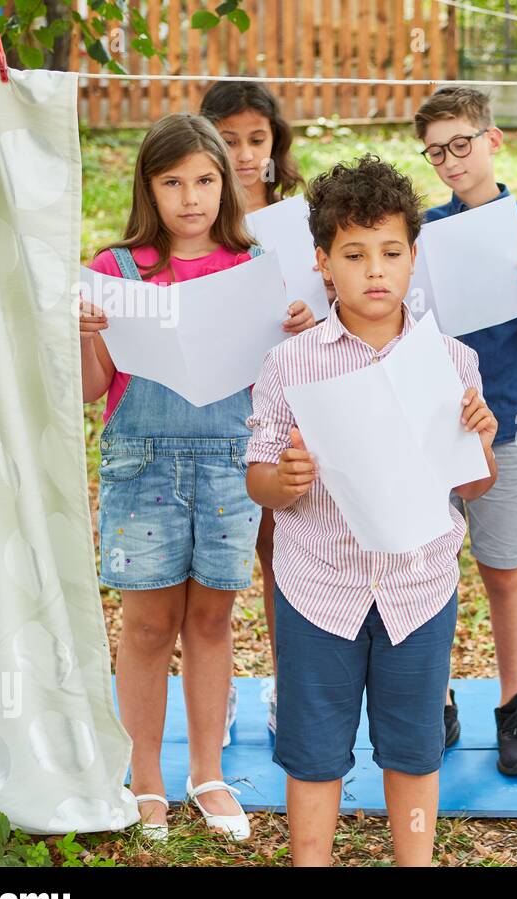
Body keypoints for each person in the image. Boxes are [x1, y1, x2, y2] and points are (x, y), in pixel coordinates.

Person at [245, 155, 498, 866]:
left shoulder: (450, 362)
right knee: (314, 754)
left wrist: (479, 442)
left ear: (414, 257)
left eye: (391, 252)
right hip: (318, 587)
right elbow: (260, 481)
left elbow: (474, 489)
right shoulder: (290, 365)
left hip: (418, 588)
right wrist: (285, 477)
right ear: (323, 263)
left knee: (414, 751)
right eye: (354, 255)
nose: (375, 270)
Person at [78, 113, 306, 841]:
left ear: (225, 185)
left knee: (211, 620)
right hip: (141, 465)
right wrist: (82, 338)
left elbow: (281, 385)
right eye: (172, 181)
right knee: (147, 625)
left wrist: (299, 335)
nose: (190, 197)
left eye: (204, 180)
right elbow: (92, 388)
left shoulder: (254, 268)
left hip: (228, 466)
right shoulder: (117, 269)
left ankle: (207, 771)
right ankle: (144, 773)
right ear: (149, 187)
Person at [413, 85, 517, 775]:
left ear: (492, 140)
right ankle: (434, 701)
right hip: (430, 427)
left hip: (503, 425)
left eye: (461, 145)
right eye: (436, 151)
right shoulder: (423, 231)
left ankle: (514, 707)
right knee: (429, 572)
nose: (450, 162)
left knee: (504, 572)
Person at [200, 80, 323, 745]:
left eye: (257, 140)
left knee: (285, 552)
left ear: (276, 144)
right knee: (218, 556)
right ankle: (212, 696)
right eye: (229, 140)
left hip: (285, 405)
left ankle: (287, 685)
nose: (244, 155)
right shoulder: (194, 217)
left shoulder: (300, 223)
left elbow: (339, 299)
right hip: (213, 408)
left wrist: (312, 316)